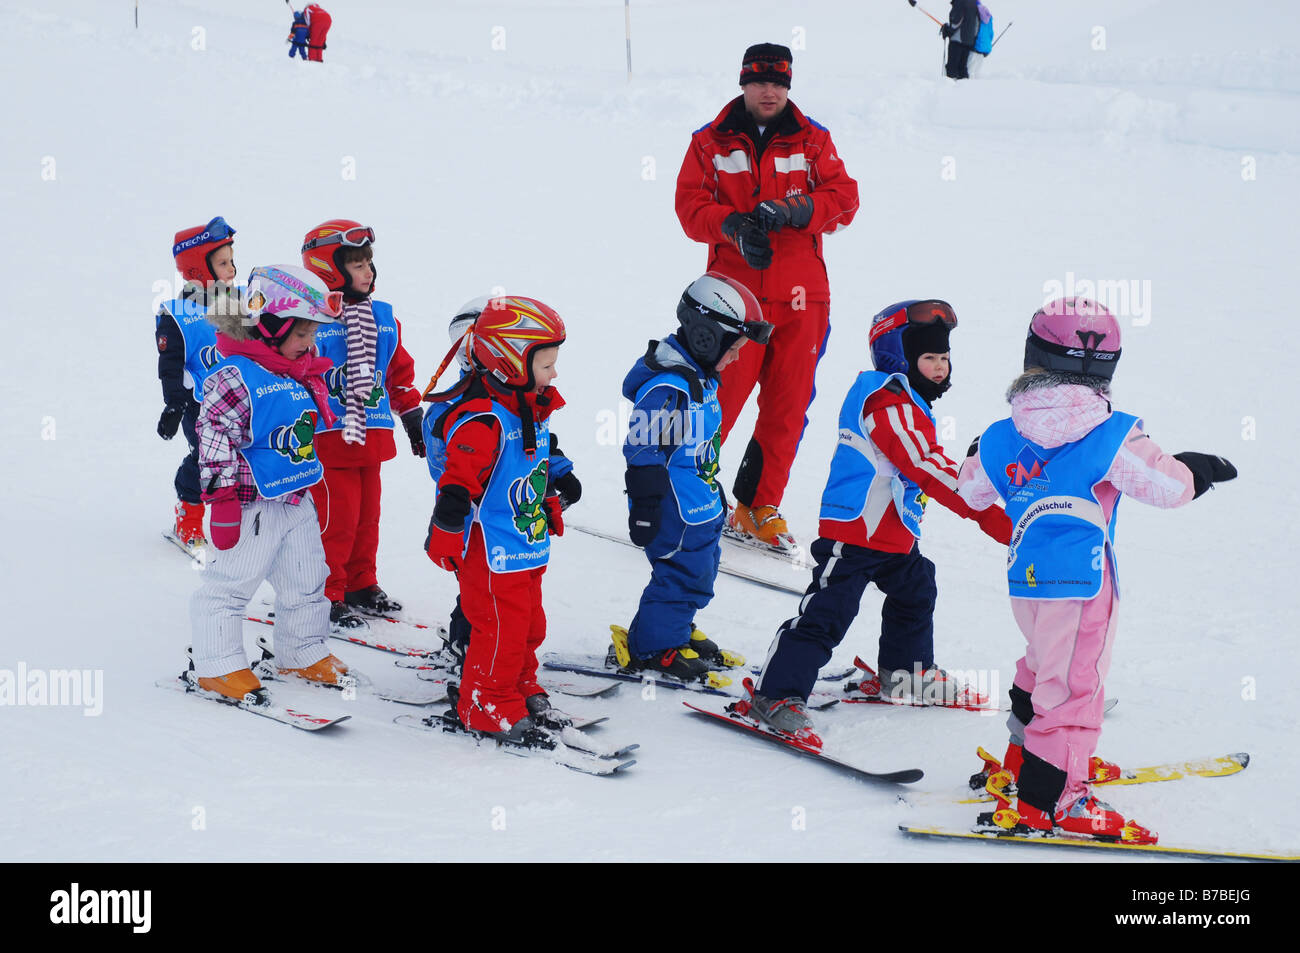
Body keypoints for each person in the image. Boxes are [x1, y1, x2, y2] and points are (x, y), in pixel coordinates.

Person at [956, 297, 1237, 841]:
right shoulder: (1113, 433)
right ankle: (1056, 798)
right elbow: (1169, 487)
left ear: (1032, 355)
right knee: (1075, 687)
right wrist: (1195, 470)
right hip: (1084, 585)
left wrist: (979, 449)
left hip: (1028, 580)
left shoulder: (1001, 432)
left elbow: (971, 489)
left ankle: (1022, 763)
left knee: (1040, 668)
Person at [749, 300, 1012, 740]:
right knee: (827, 614)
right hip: (854, 533)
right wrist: (989, 514)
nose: (940, 367)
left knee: (916, 587)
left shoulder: (908, 401)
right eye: (929, 357)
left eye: (944, 357)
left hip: (892, 534)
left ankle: (906, 674)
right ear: (898, 357)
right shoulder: (884, 403)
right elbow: (923, 464)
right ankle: (775, 694)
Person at [674, 43, 859, 553]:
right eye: (760, 81)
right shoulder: (709, 142)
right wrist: (730, 225)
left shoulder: (813, 139)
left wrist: (797, 211)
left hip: (803, 298)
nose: (770, 90)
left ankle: (757, 506)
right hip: (733, 300)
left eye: (779, 82)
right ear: (743, 83)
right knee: (716, 401)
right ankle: (680, 495)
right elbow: (690, 206)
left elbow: (844, 198)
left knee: (788, 404)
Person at [188, 265, 350, 700]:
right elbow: (212, 434)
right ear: (272, 327)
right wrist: (220, 499)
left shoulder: (296, 371)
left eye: (313, 335)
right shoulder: (236, 376)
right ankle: (217, 664)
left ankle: (302, 651)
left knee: (307, 579)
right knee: (231, 584)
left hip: (294, 498)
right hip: (249, 503)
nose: (310, 344)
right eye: (303, 335)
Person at [423, 297, 568, 743]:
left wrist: (551, 499)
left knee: (530, 624)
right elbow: (457, 483)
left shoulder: (530, 406)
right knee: (499, 629)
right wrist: (446, 532)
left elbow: (529, 469)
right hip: (490, 548)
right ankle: (486, 702)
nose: (554, 375)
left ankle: (518, 686)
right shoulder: (483, 419)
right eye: (546, 365)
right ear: (510, 363)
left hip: (525, 540)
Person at [620, 273, 773, 681]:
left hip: (697, 503)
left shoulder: (700, 379)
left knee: (700, 570)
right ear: (706, 337)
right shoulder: (669, 386)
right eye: (734, 348)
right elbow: (640, 448)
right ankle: (654, 647)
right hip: (671, 505)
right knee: (678, 573)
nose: (737, 357)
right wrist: (646, 506)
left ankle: (676, 629)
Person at [300, 220, 424, 630]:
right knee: (336, 520)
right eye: (356, 264)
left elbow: (398, 370)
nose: (368, 271)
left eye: (369, 261)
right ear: (328, 268)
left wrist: (411, 415)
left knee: (367, 518)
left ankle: (359, 583)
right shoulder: (308, 320)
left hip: (370, 435)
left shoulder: (383, 317)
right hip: (329, 438)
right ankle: (326, 593)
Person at [156, 216, 239, 552]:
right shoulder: (178, 314)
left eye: (232, 260)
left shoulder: (239, 304)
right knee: (206, 457)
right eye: (222, 263)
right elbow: (170, 364)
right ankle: (188, 518)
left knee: (241, 458)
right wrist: (174, 404)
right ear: (195, 270)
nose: (232, 269)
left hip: (241, 401)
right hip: (201, 403)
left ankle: (239, 519)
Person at [941, 0, 991, 80]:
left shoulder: (960, 2)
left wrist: (948, 30)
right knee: (962, 68)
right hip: (969, 41)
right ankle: (964, 88)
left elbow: (956, 20)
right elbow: (976, 24)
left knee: (952, 68)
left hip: (958, 40)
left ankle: (949, 89)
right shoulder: (974, 3)